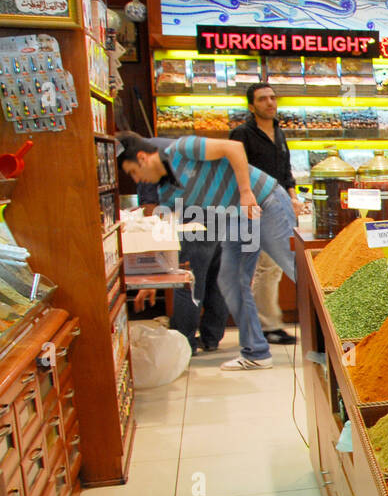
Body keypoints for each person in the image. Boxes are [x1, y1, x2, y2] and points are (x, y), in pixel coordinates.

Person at [117, 130, 298, 370]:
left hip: (263, 199)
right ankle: (256, 353)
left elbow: (234, 148)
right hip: (238, 218)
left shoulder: (181, 149)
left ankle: (338, 331)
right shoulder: (166, 191)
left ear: (142, 158)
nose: (137, 179)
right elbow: (167, 232)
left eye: (133, 172)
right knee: (231, 281)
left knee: (298, 269)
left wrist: (246, 192)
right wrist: (152, 279)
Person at [228, 82, 307, 346]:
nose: (270, 102)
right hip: (257, 208)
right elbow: (234, 171)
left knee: (271, 267)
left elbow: (286, 172)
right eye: (262, 99)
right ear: (251, 106)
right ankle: (268, 325)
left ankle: (267, 323)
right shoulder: (241, 134)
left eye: (273, 97)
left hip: (280, 207)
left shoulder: (279, 133)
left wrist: (293, 197)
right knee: (267, 267)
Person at [138, 164, 229, 353]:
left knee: (188, 283)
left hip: (191, 219)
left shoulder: (148, 163)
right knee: (217, 279)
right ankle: (212, 338)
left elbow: (150, 208)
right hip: (221, 210)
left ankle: (184, 343)